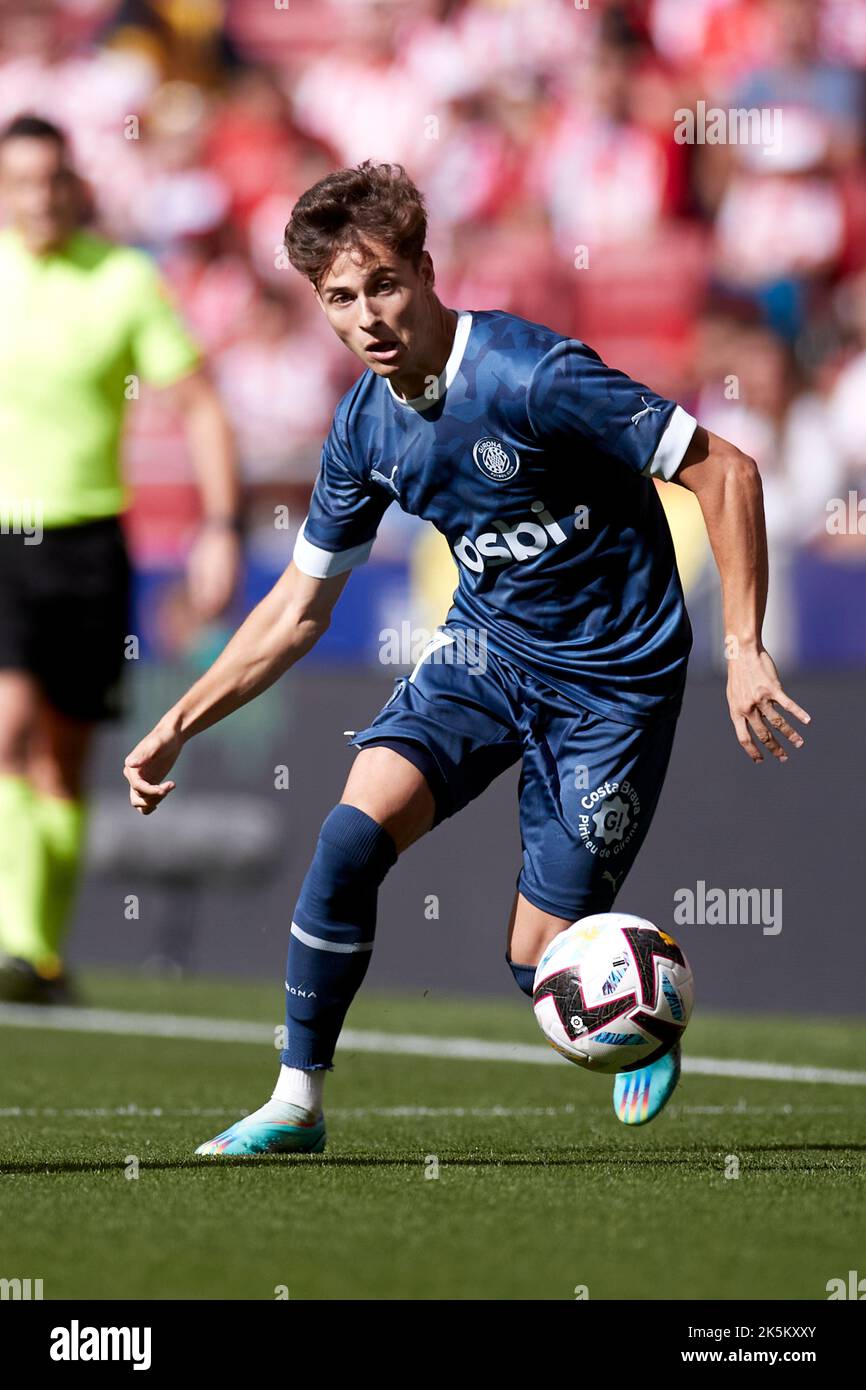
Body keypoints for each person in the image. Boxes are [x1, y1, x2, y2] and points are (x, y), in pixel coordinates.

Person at [123, 162, 810, 1154]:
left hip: (614, 682)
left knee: (538, 966)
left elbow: (724, 469)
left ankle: (644, 1011)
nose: (366, 317)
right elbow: (297, 608)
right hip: (486, 651)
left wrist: (743, 649)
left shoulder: (531, 375)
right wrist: (177, 722)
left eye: (383, 285)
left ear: (426, 270)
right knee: (350, 835)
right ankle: (296, 1100)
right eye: (339, 298)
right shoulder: (362, 427)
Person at [0, 114, 241, 1002]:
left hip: (91, 542)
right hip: (3, 539)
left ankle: (41, 956)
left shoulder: (124, 280)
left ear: (76, 185)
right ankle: (15, 941)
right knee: (7, 729)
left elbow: (202, 406)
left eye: (52, 179)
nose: (38, 197)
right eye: (20, 181)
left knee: (62, 758)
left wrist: (221, 526)